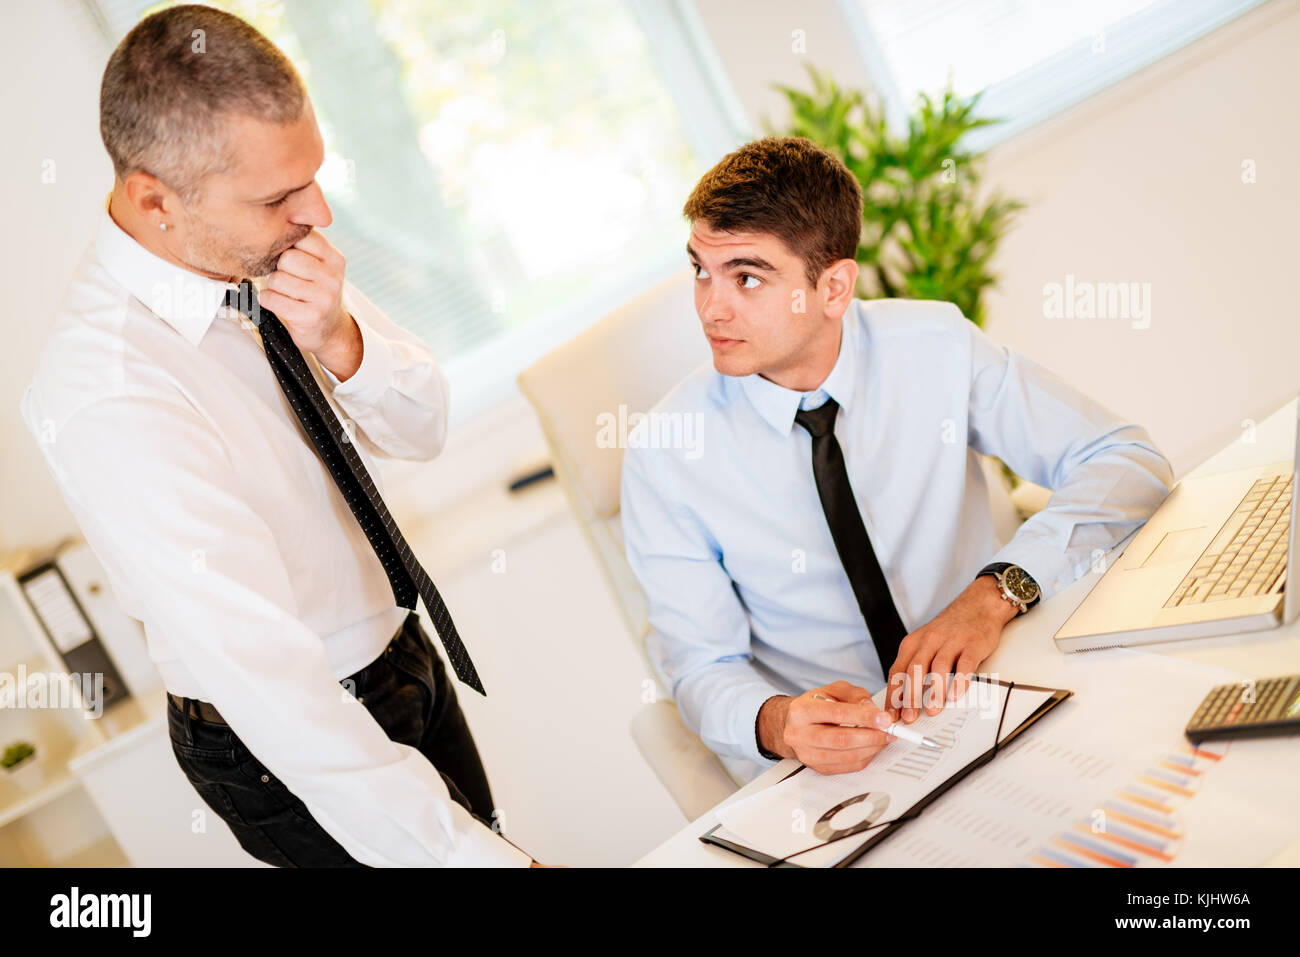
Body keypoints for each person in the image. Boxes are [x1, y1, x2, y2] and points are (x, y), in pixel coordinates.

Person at [20, 5, 539, 867]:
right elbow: (272, 686)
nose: (319, 210)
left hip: (398, 657)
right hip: (281, 745)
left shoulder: (258, 250)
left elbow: (422, 428)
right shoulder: (108, 392)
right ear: (155, 200)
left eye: (313, 176)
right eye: (280, 195)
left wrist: (343, 341)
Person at [620, 136, 1174, 780]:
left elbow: (1124, 458)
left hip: (1002, 682)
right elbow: (701, 666)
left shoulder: (933, 345)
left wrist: (993, 595)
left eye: (746, 277)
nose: (710, 307)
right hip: (843, 765)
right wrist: (778, 722)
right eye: (700, 270)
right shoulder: (665, 454)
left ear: (833, 287)